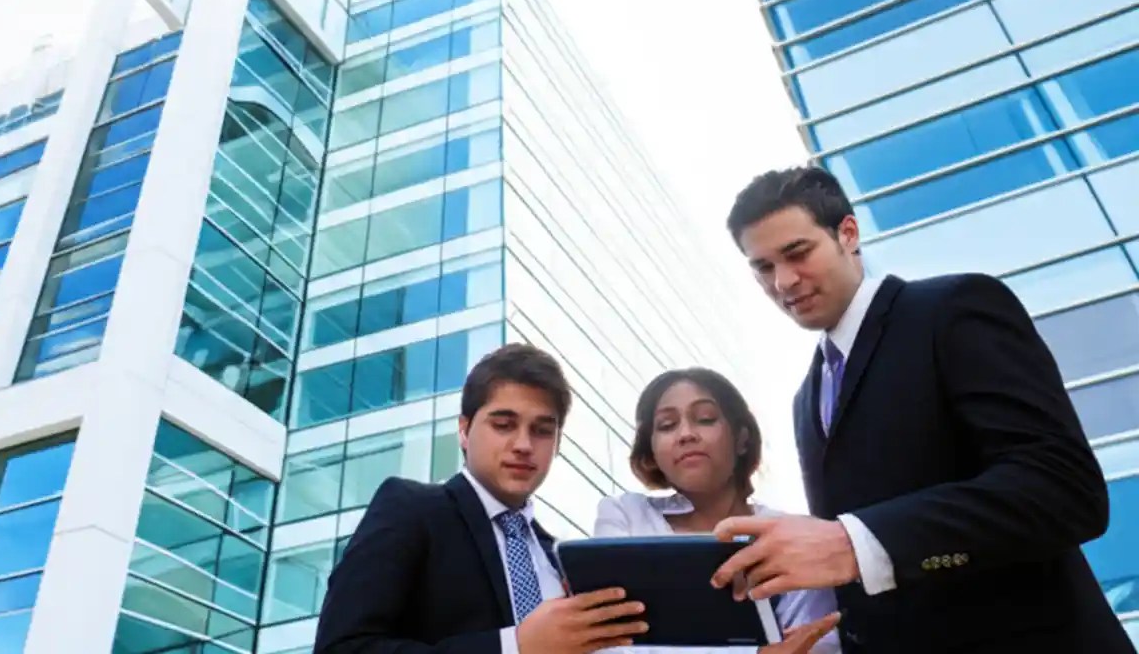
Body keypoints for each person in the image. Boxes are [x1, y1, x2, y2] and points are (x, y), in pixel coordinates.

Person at [708, 165, 1134, 654]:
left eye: (797, 253)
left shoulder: (951, 309)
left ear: (848, 233)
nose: (783, 281)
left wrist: (853, 542)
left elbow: (1064, 490)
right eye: (763, 267)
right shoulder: (806, 398)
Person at [314, 343, 650, 654]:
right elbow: (342, 648)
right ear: (464, 429)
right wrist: (514, 647)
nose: (523, 444)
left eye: (542, 430)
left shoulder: (561, 560)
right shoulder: (411, 509)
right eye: (504, 424)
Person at [595, 367, 841, 654]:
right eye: (666, 425)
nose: (685, 434)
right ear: (651, 453)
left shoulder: (793, 536)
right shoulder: (625, 514)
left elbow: (817, 644)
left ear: (741, 438)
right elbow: (611, 646)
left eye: (705, 419)